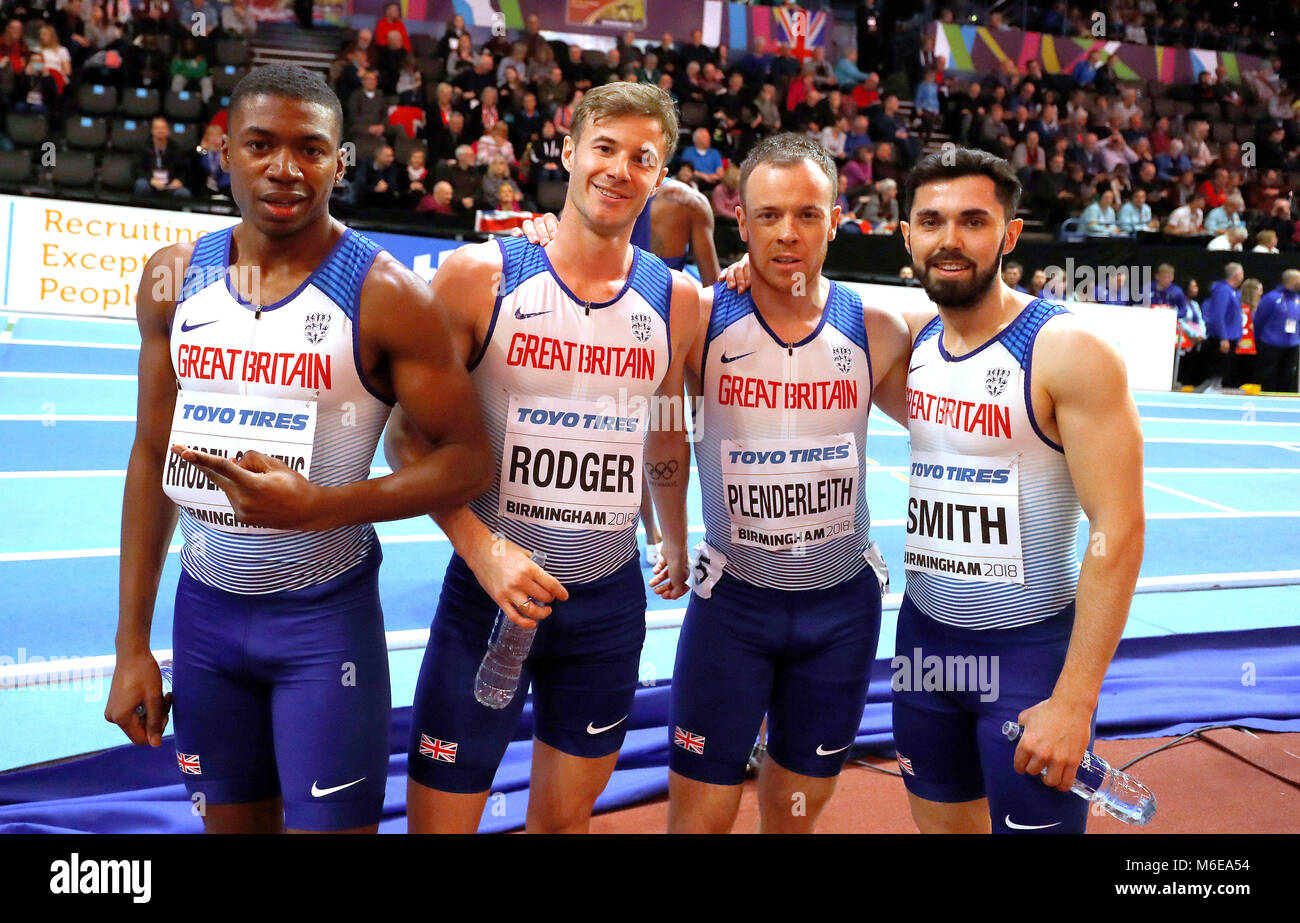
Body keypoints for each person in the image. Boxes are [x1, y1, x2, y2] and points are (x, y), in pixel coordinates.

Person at [103, 64, 492, 834]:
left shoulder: (385, 295)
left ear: (341, 162)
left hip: (325, 626)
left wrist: (326, 507)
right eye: (260, 145)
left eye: (310, 149)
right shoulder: (174, 279)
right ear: (223, 150)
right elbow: (151, 458)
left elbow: (469, 459)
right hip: (205, 620)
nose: (285, 168)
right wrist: (129, 645)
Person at [386, 82, 698, 834]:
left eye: (643, 157)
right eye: (605, 148)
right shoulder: (478, 276)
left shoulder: (679, 300)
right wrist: (481, 549)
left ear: (662, 176)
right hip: (487, 594)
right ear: (567, 151)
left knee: (562, 823)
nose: (621, 169)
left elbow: (663, 427)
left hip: (607, 605)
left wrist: (674, 535)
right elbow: (404, 439)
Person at [889, 148, 1144, 834]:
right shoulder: (909, 345)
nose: (950, 239)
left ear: (1008, 233)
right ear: (906, 235)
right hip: (924, 646)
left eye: (973, 220)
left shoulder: (1066, 350)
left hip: (1029, 658)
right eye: (931, 220)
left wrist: (1075, 700)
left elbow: (1117, 530)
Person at [665, 132, 908, 833]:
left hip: (842, 614)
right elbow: (647, 410)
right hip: (732, 610)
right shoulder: (701, 319)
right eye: (768, 215)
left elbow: (960, 417)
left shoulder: (877, 329)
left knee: (793, 811)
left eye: (807, 214)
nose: (787, 233)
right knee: (700, 818)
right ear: (740, 222)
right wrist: (670, 535)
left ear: (838, 219)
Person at [1198, 262, 1244, 392]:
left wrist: (1239, 335)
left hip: (1232, 335)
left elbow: (1236, 316)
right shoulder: (1223, 290)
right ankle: (1209, 389)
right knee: (1218, 366)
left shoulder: (1234, 292)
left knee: (1225, 367)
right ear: (1236, 275)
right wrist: (1223, 337)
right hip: (1223, 336)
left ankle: (1215, 387)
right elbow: (1218, 316)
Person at [1253, 269, 1300, 392]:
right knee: (1268, 376)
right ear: (1290, 281)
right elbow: (1258, 321)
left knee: (1288, 376)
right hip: (1270, 345)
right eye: (1298, 279)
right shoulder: (1271, 298)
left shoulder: (1297, 298)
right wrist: (1259, 340)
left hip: (1292, 345)